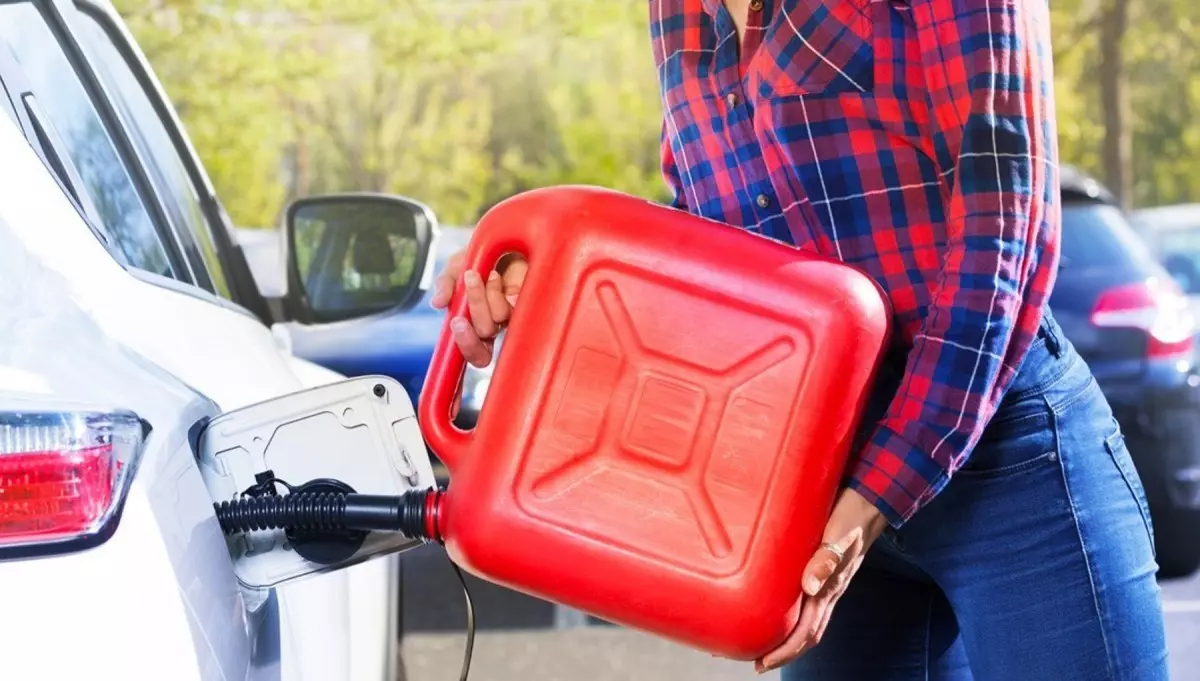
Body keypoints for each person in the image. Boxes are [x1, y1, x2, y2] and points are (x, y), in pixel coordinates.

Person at [431, 0, 1171, 678]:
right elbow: (714, 234)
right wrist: (552, 275)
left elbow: (1001, 240)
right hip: (811, 476)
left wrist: (878, 489)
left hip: (1007, 464)